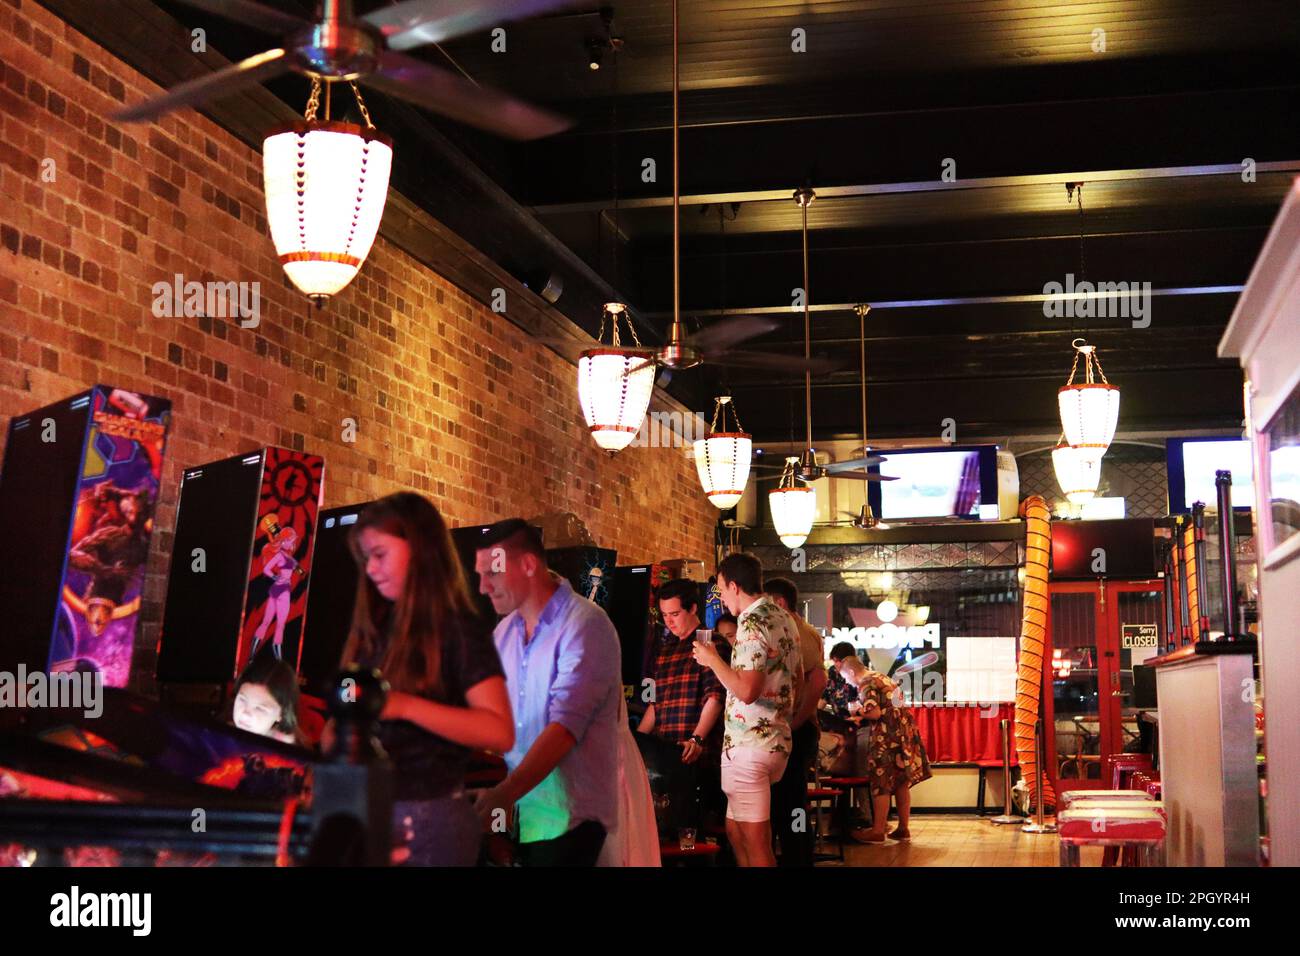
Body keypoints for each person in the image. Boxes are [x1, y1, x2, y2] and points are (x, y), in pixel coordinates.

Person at [340, 493, 514, 867]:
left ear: (420, 548)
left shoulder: (457, 630)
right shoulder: (375, 630)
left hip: (428, 819)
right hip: (371, 811)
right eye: (365, 558)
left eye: (380, 554)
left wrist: (403, 706)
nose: (370, 569)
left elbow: (498, 730)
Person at [471, 519, 623, 866]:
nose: (483, 587)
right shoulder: (505, 632)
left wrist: (503, 794)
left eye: (492, 573)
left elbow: (564, 729)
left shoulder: (586, 625)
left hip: (569, 815)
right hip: (520, 811)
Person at [691, 552, 802, 867]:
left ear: (734, 585)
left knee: (756, 843)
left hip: (751, 743)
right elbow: (801, 678)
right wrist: (783, 718)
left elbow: (748, 690)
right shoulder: (783, 616)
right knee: (735, 830)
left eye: (721, 589)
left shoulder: (751, 620)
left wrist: (713, 659)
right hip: (772, 741)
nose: (722, 597)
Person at [637, 578, 727, 834]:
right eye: (665, 615)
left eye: (675, 614)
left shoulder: (710, 642)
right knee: (668, 828)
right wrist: (637, 741)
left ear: (693, 609)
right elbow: (657, 704)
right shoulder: (665, 649)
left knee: (695, 832)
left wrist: (697, 738)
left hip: (700, 755)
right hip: (667, 752)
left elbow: (715, 697)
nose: (669, 621)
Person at [829, 641, 932, 844]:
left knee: (881, 782)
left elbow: (874, 712)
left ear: (850, 672)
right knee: (901, 783)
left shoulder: (865, 682)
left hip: (886, 736)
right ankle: (903, 828)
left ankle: (877, 831)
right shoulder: (880, 677)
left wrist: (857, 711)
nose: (847, 683)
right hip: (903, 733)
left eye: (845, 678)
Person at [763, 576, 829, 866]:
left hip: (797, 731)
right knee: (786, 803)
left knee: (790, 803)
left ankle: (798, 859)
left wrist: (794, 723)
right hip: (793, 730)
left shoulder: (797, 632)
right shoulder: (797, 631)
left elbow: (817, 680)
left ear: (779, 603)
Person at [233, 655, 302, 744]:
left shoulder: (284, 753)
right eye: (242, 700)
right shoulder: (218, 731)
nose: (245, 714)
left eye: (260, 709)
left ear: (281, 714)